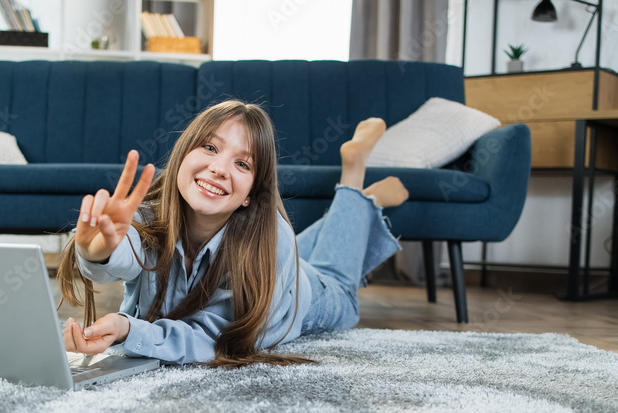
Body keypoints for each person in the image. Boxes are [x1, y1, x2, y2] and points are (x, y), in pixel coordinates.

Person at [58, 100, 409, 368]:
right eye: (210, 147)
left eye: (242, 164)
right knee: (294, 251)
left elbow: (217, 338)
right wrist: (97, 250)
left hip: (297, 291)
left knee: (342, 288)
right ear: (183, 154)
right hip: (271, 258)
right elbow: (124, 252)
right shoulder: (145, 213)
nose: (219, 168)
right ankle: (360, 204)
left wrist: (128, 330)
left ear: (251, 195)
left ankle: (355, 179)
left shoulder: (274, 244)